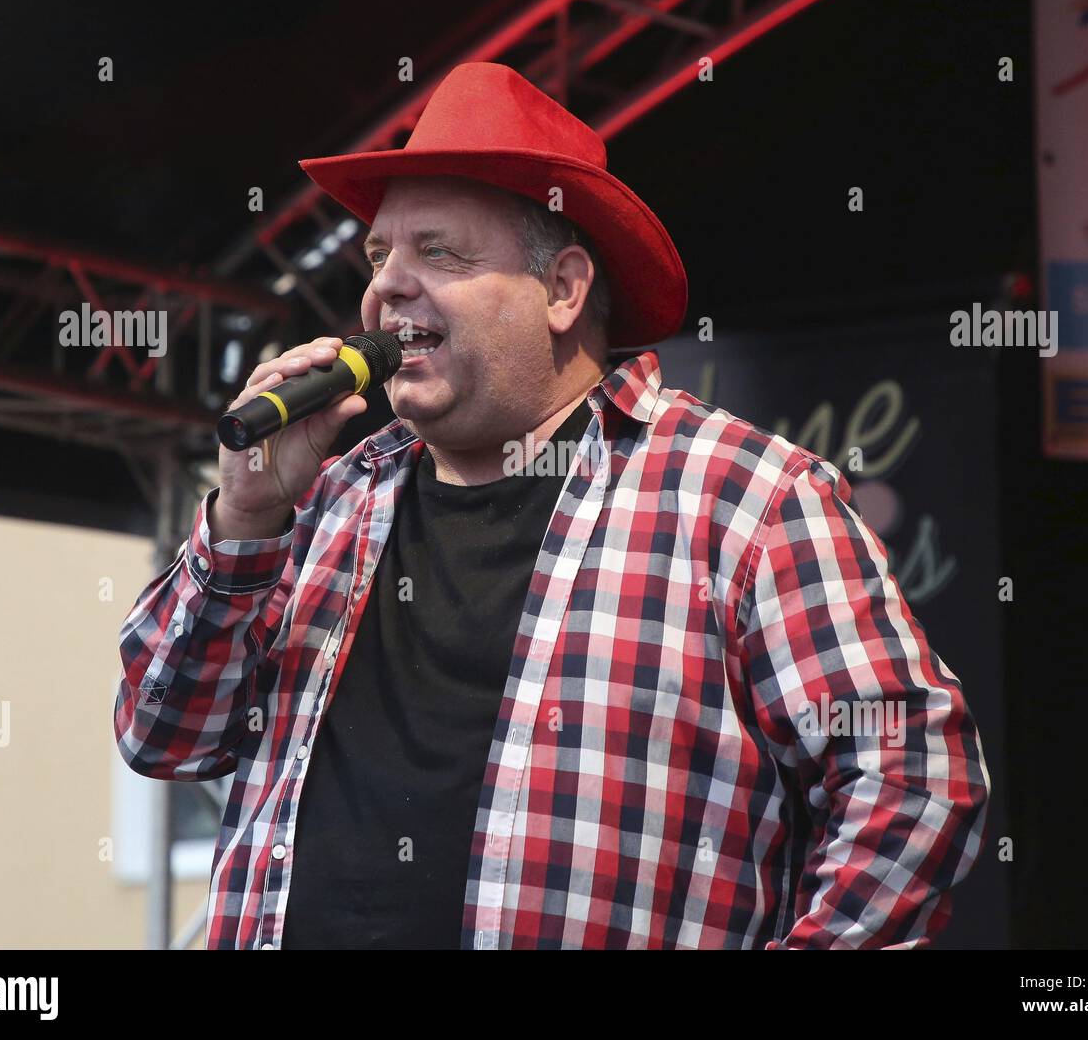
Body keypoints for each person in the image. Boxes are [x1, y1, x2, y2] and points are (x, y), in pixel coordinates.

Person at [115, 62, 991, 950]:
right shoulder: (329, 503)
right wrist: (245, 520)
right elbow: (162, 736)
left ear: (564, 290)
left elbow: (914, 776)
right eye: (380, 255)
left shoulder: (743, 502)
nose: (387, 286)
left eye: (439, 252)